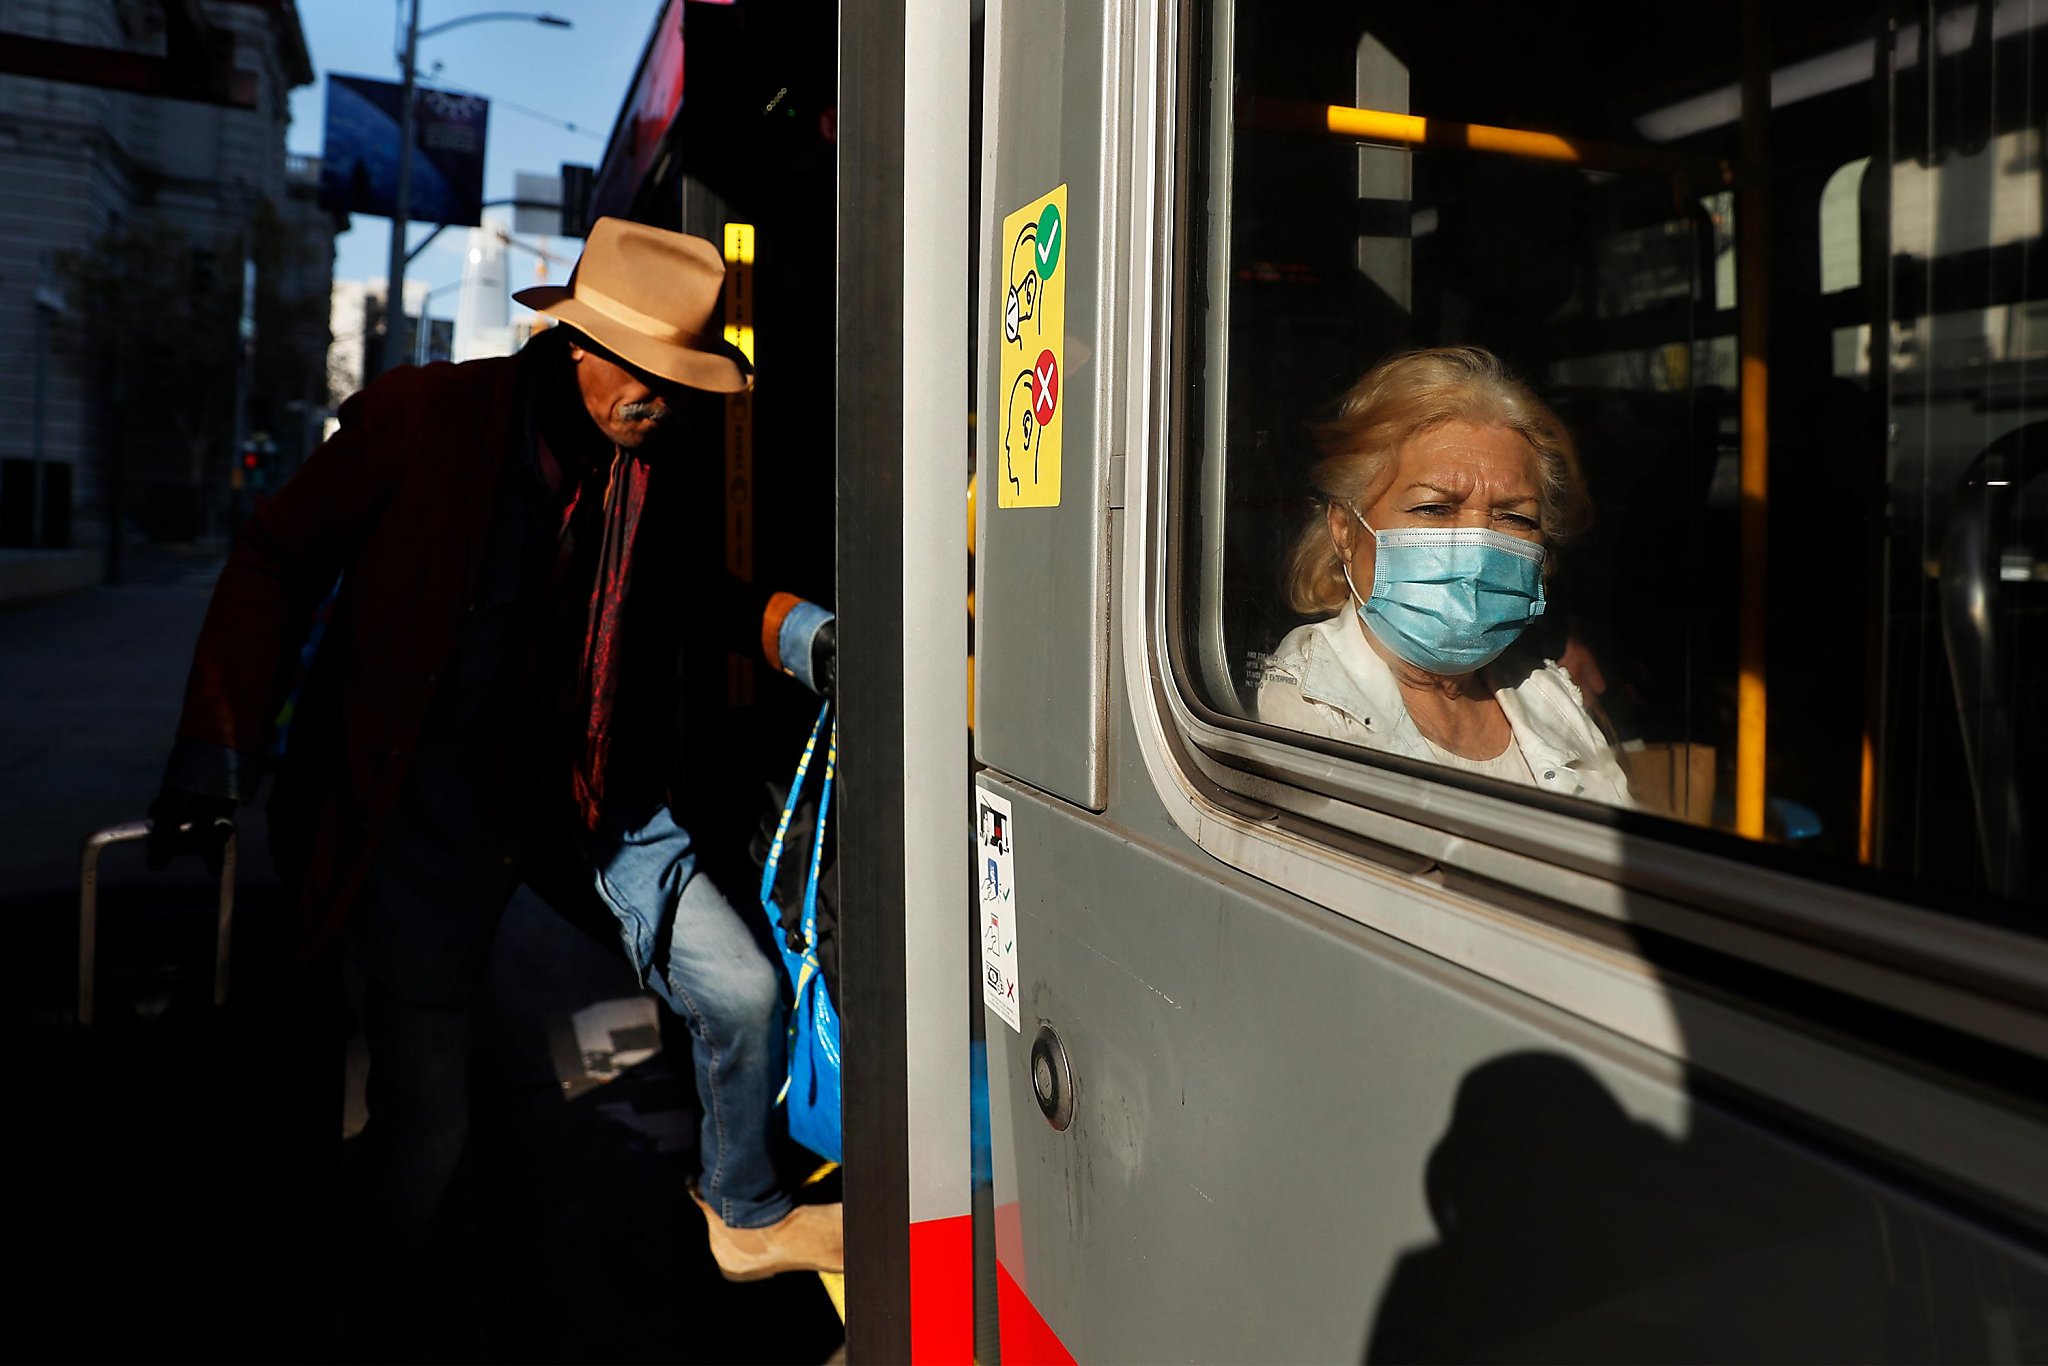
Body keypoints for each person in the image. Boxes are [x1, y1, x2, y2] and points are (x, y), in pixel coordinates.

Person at [144, 218, 842, 1341]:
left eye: (682, 378)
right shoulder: (424, 420)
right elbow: (276, 557)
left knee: (744, 992)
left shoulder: (644, 466)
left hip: (586, 793)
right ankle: (359, 1314)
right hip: (418, 804)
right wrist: (213, 749)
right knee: (426, 1130)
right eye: (647, 371)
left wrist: (805, 635)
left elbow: (687, 596)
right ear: (575, 343)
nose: (663, 398)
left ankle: (742, 1210)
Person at [1258, 347, 1632, 807]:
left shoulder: (1553, 699)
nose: (1476, 547)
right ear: (1345, 530)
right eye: (1434, 508)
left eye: (1514, 518)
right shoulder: (1304, 708)